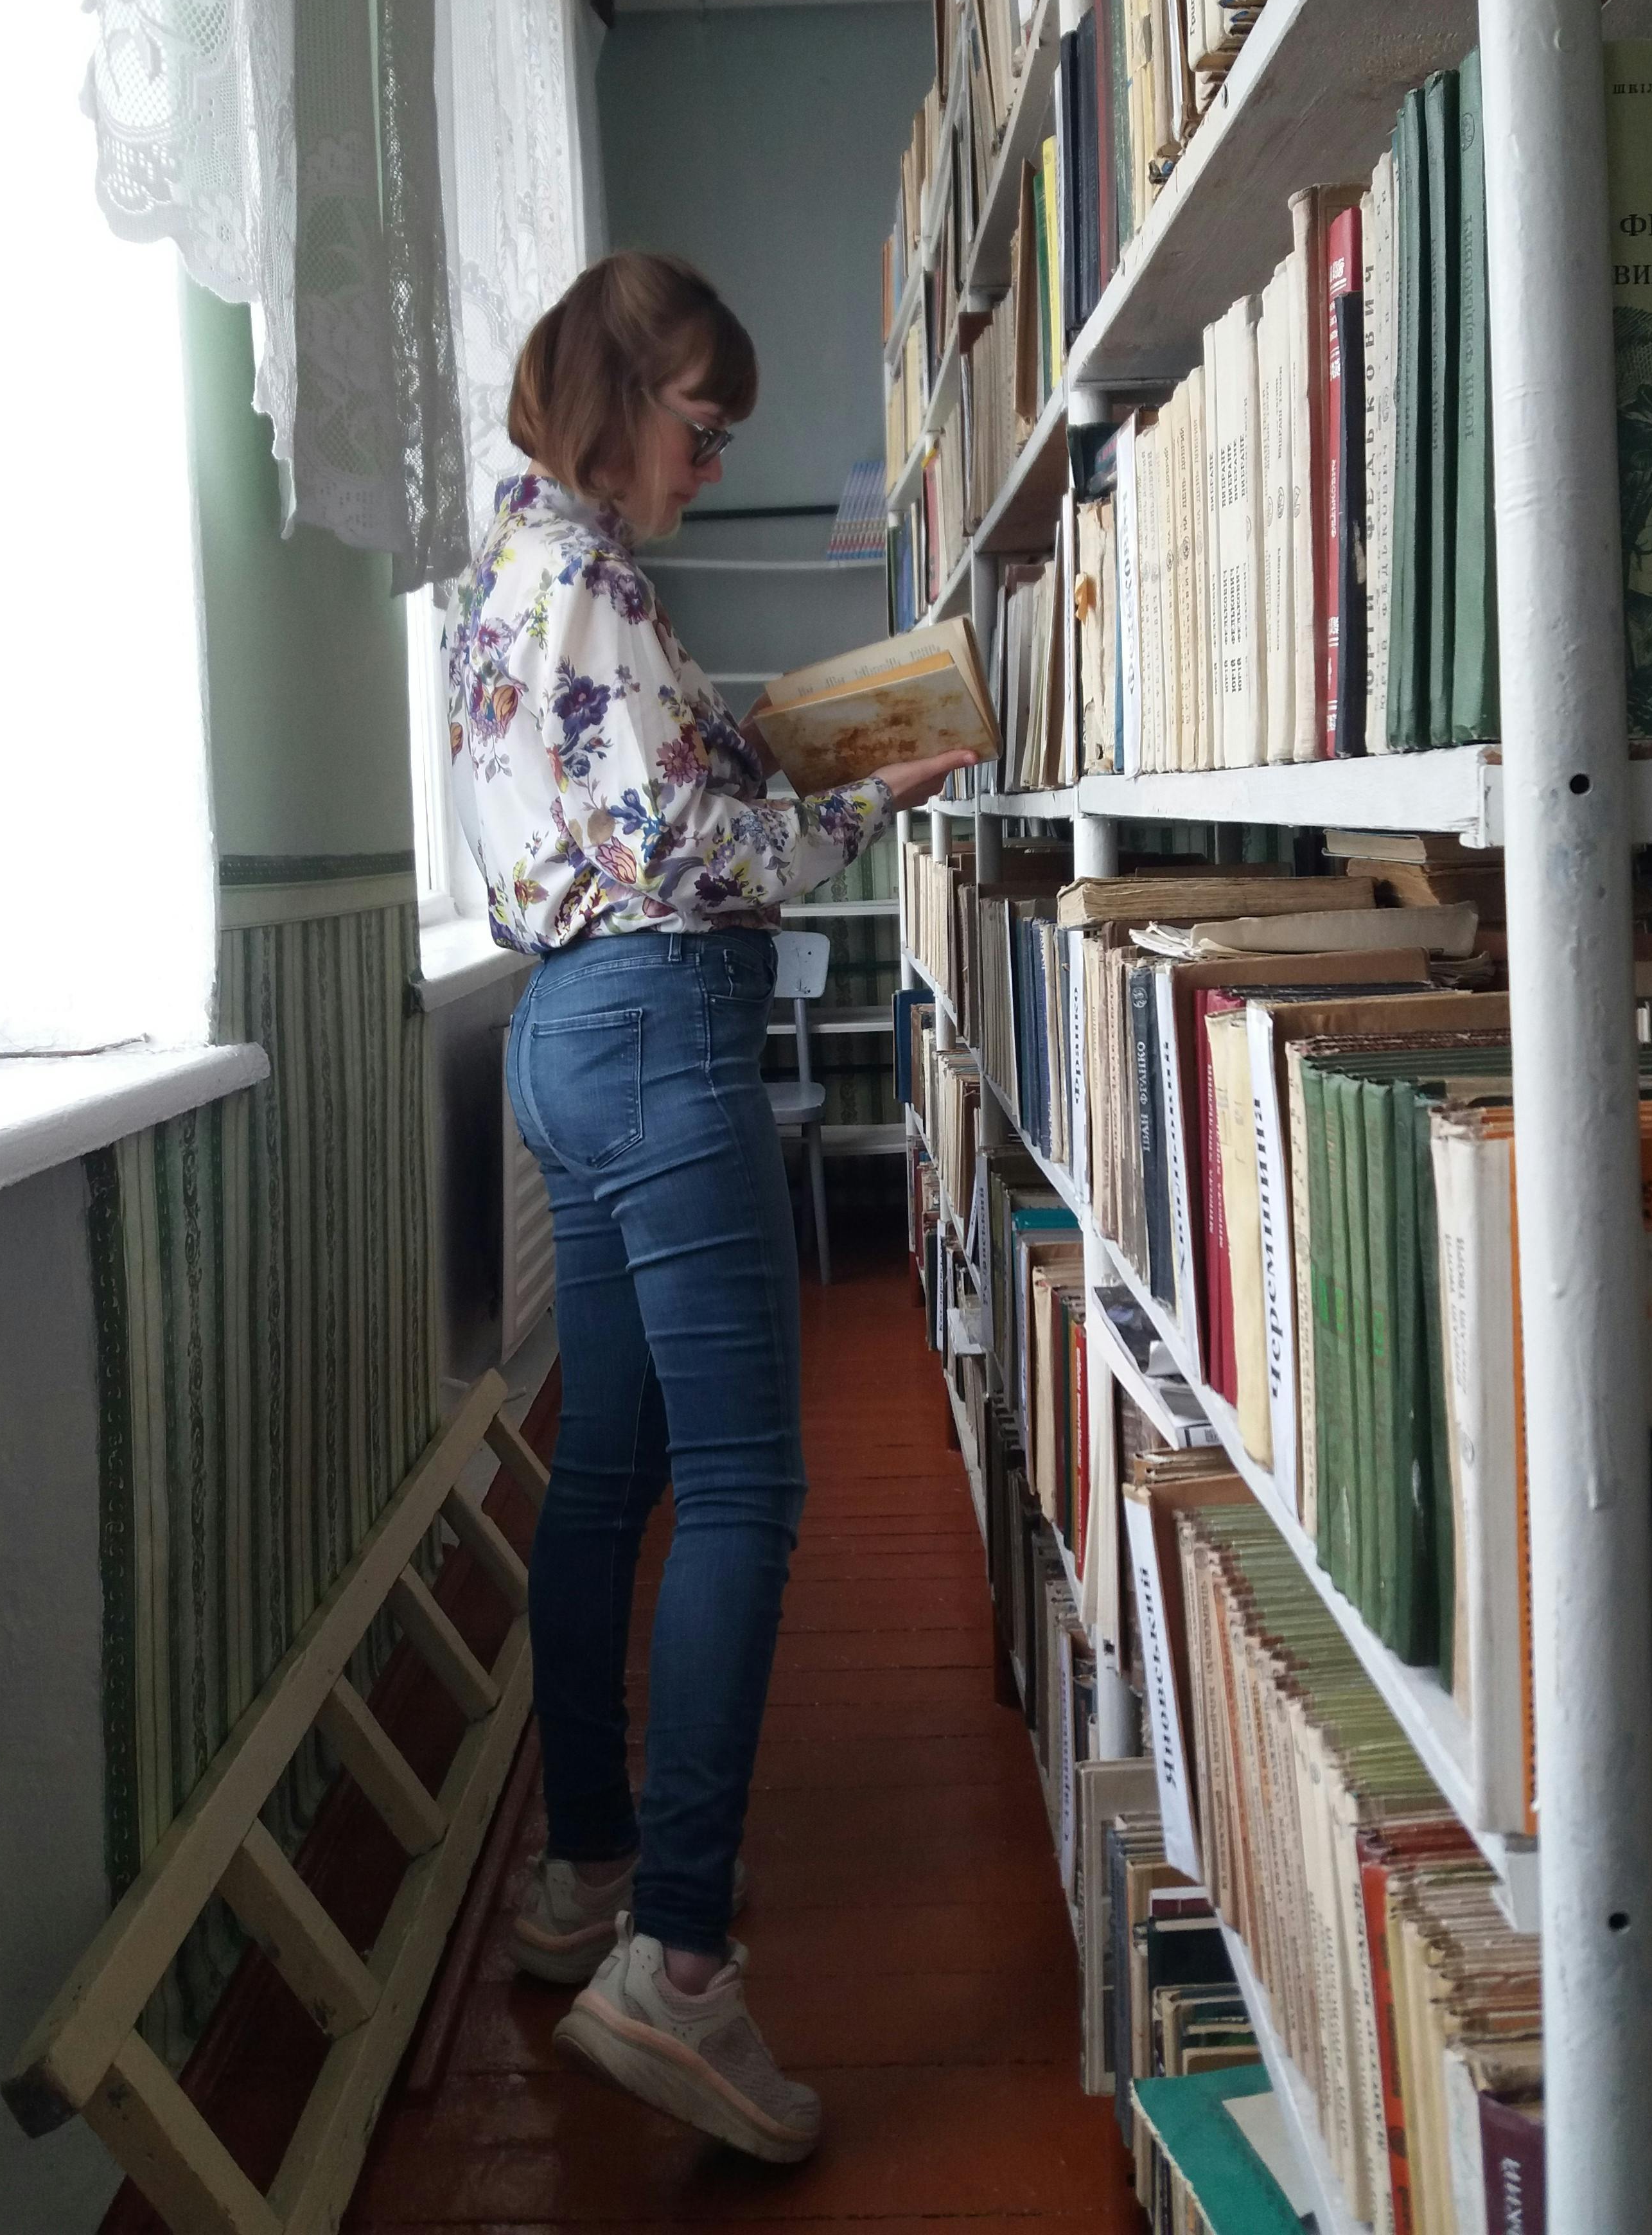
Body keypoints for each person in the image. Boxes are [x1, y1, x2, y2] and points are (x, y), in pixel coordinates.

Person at [446, 251, 971, 2164]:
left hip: (565, 1039)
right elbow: (686, 851)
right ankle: (678, 1974)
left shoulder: (512, 570)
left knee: (611, 1472)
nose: (710, 460)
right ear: (615, 384)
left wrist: (780, 750)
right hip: (660, 1022)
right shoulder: (592, 575)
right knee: (748, 1484)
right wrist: (869, 802)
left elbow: (627, 795)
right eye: (701, 423)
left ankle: (586, 1875)